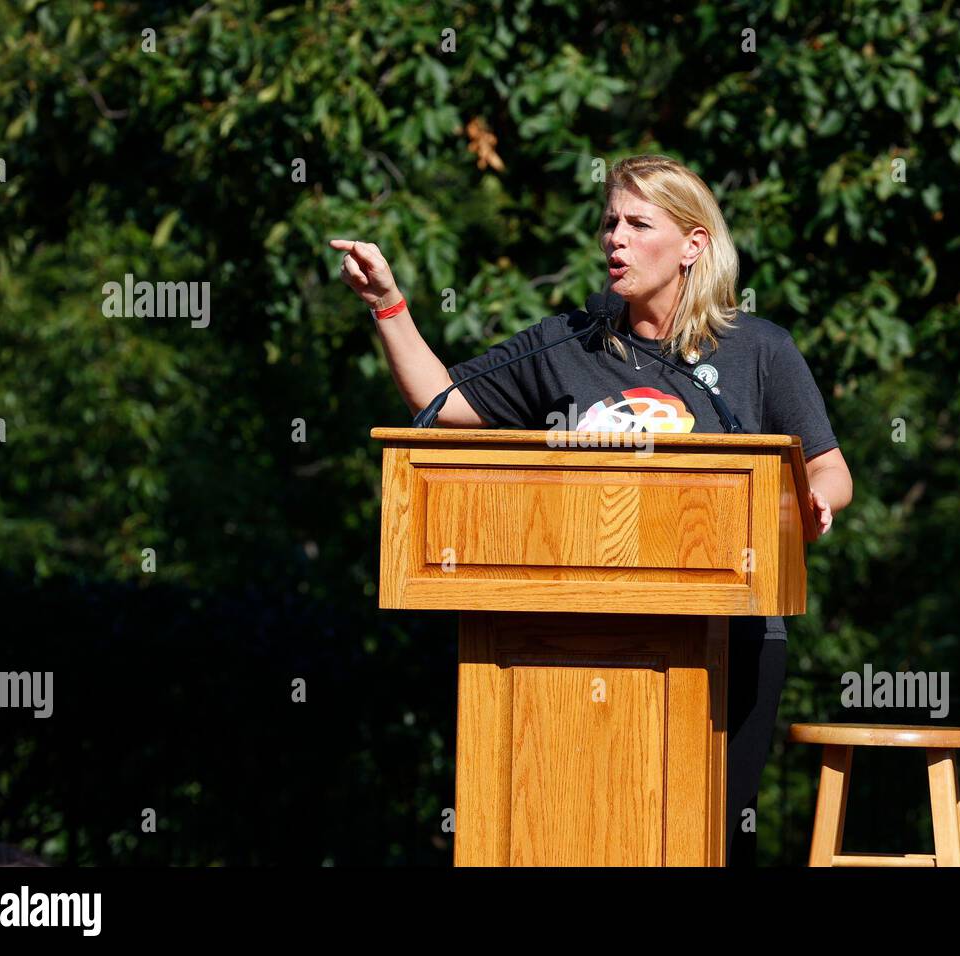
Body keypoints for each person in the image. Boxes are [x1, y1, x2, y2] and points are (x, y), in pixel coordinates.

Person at [330, 153, 853, 866]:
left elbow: (828, 469)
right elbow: (442, 404)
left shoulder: (757, 350)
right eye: (610, 222)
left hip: (731, 641)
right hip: (568, 646)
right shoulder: (564, 343)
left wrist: (811, 504)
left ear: (694, 244)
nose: (616, 238)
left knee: (707, 842)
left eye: (639, 223)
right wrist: (388, 305)